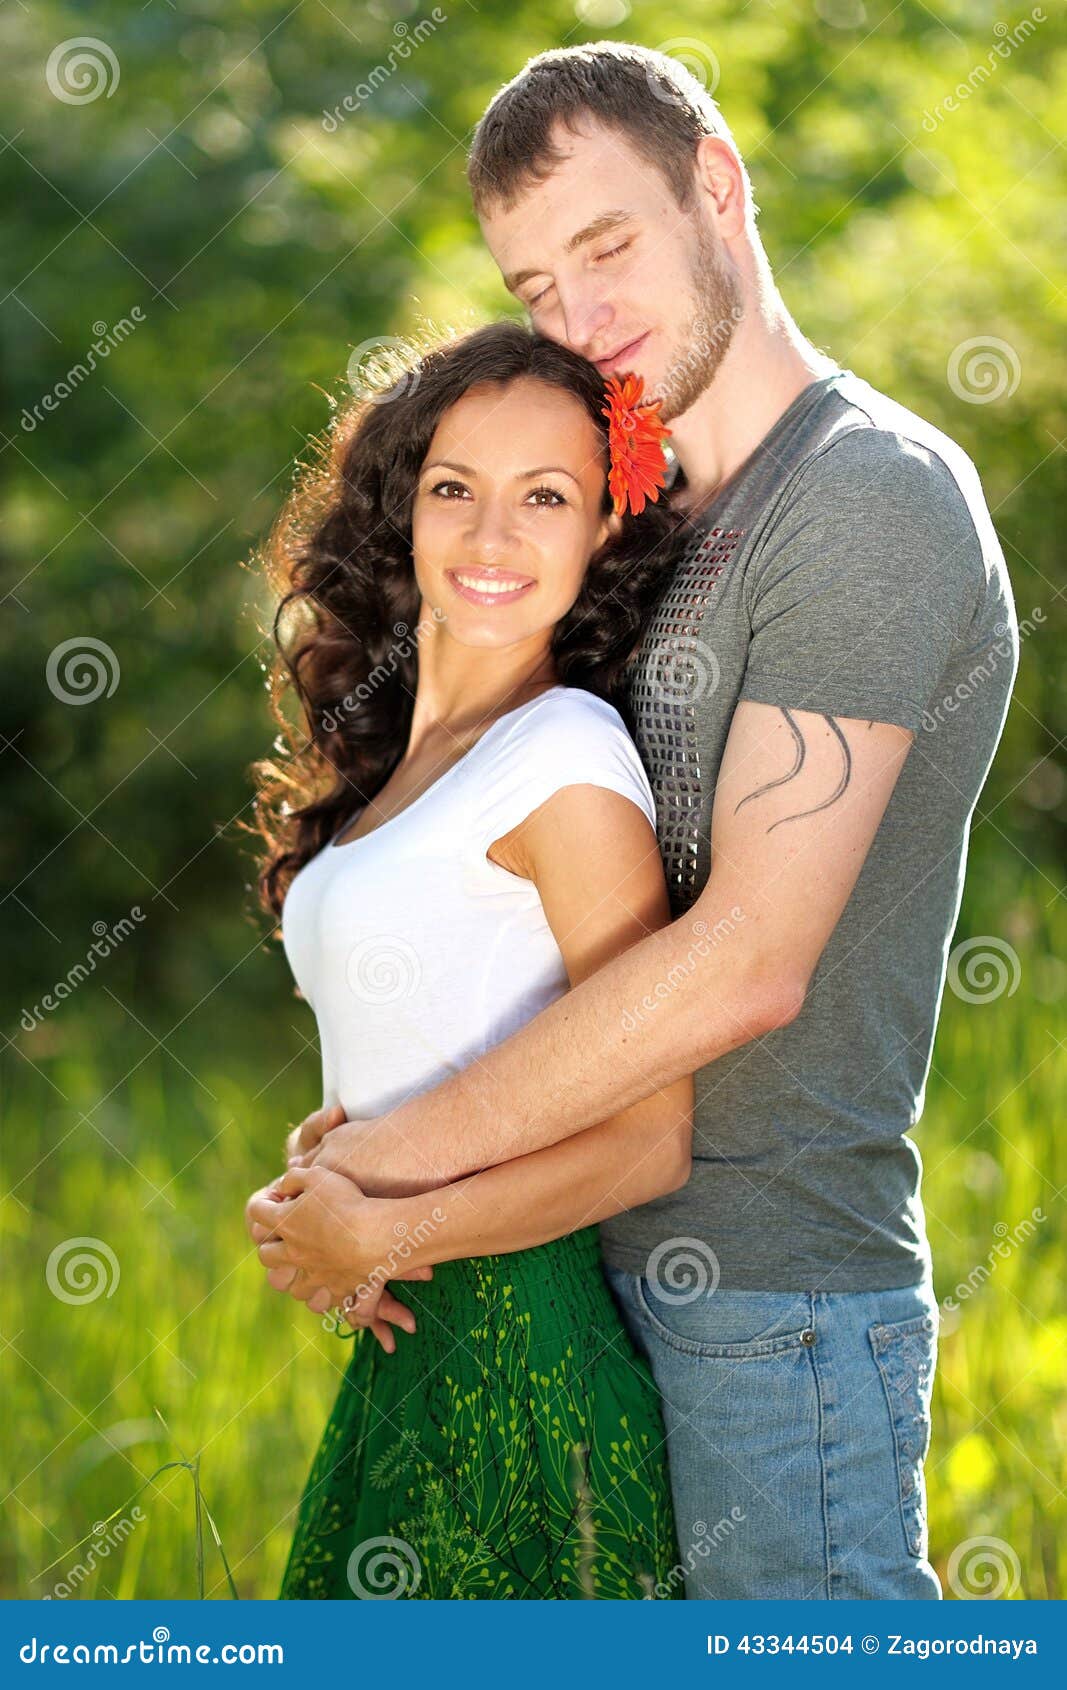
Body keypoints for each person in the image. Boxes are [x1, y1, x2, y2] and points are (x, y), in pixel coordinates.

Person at [251, 43, 1021, 1599]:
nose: (580, 317)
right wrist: (388, 1139)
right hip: (574, 1272)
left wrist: (388, 1177)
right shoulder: (654, 520)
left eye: (607, 247)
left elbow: (743, 962)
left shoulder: (865, 499)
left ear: (717, 193)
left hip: (768, 1299)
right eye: (537, 284)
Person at [245, 319, 696, 1598]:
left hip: (523, 1350)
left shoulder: (564, 756)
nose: (491, 537)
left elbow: (647, 1135)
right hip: (408, 1348)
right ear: (404, 509)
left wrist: (385, 1227)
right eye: (454, 489)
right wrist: (313, 1193)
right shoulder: (401, 768)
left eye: (543, 497)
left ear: (606, 525)